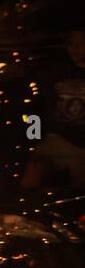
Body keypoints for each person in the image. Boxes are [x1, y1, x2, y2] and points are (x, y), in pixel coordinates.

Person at [22, 29, 85, 189]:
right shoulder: (53, 72)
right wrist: (33, 140)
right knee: (33, 174)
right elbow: (34, 108)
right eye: (73, 45)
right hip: (57, 142)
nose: (78, 51)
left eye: (83, 45)